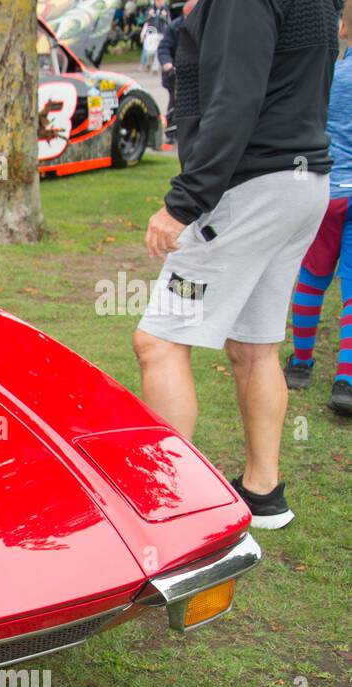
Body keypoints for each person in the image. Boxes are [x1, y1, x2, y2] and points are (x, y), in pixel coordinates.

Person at [133, 0, 339, 530]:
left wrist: (183, 202)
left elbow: (236, 101)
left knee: (159, 341)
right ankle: (262, 492)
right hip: (301, 183)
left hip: (251, 188)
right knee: (254, 345)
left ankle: (170, 503)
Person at [283, 4, 352, 415]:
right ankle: (346, 379)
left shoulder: (331, 73)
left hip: (328, 189)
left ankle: (301, 364)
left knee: (312, 274)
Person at [157, 0, 198, 146]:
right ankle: (170, 132)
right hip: (175, 72)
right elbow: (163, 48)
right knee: (175, 101)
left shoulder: (201, 26)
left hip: (193, 73)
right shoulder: (174, 27)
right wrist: (167, 63)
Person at [141, 0, 171, 72]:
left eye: (160, 1)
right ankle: (149, 63)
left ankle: (155, 68)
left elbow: (168, 21)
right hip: (151, 31)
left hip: (161, 32)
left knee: (158, 50)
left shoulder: (165, 9)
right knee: (150, 51)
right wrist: (149, 15)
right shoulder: (150, 9)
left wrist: (164, 16)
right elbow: (145, 21)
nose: (159, 2)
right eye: (157, 1)